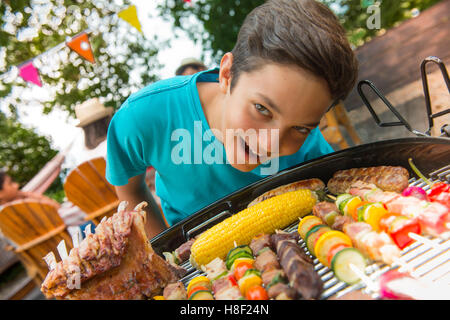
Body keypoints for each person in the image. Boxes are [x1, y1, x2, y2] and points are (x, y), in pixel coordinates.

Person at [105, 0, 358, 239]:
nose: (269, 144)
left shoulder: (310, 145)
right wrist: (161, 255)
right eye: (262, 109)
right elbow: (130, 190)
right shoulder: (143, 115)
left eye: (301, 127)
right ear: (227, 75)